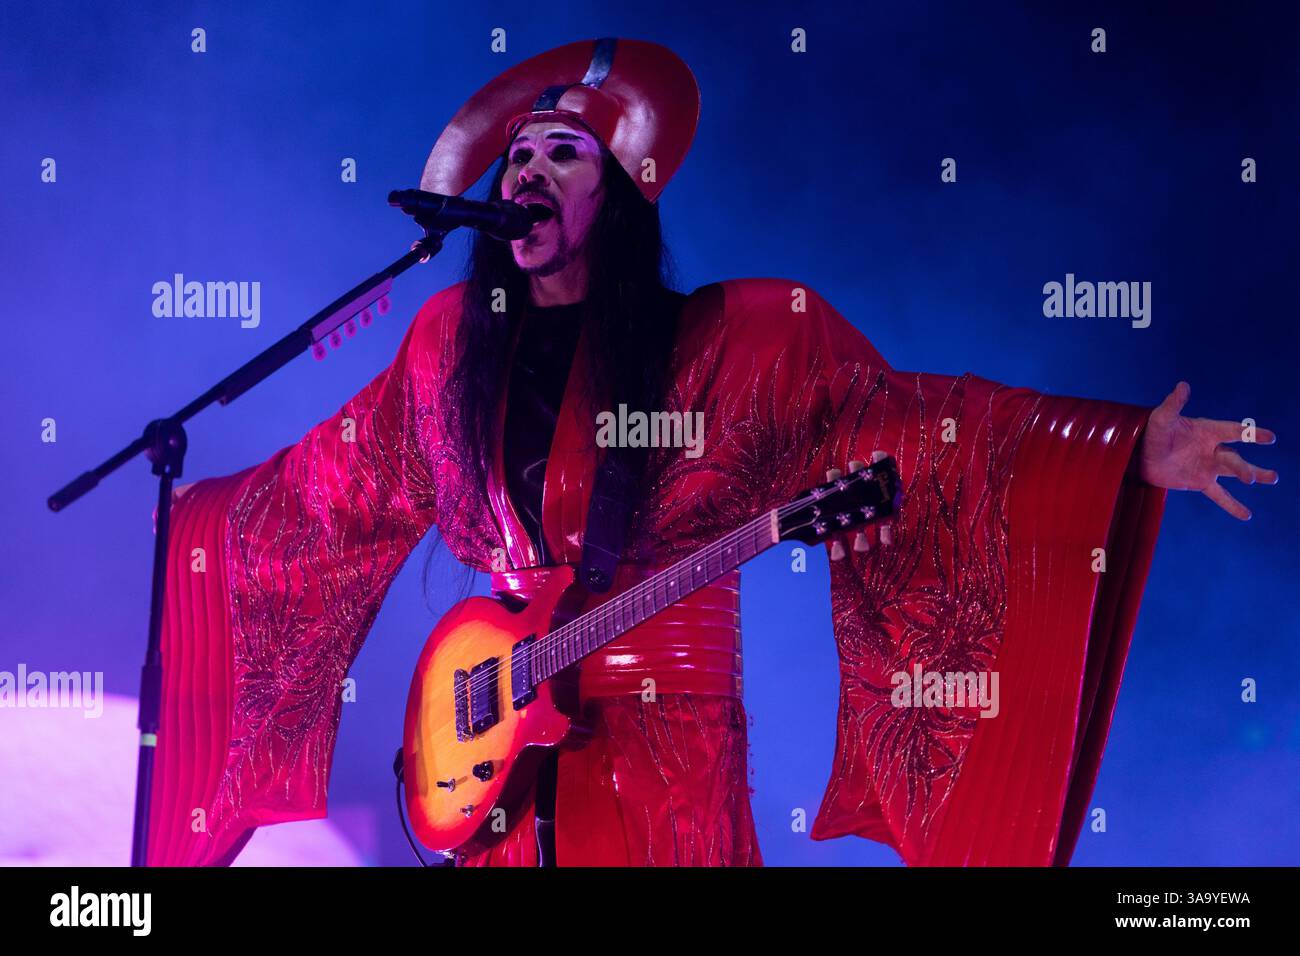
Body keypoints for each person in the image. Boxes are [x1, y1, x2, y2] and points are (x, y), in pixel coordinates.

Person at [146, 38, 1277, 867]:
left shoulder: (735, 341)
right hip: (499, 772)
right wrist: (194, 521)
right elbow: (326, 490)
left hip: (667, 766)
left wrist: (1120, 447)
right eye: (516, 159)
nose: (527, 171)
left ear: (622, 193)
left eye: (562, 154)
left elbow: (914, 422)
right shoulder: (446, 352)